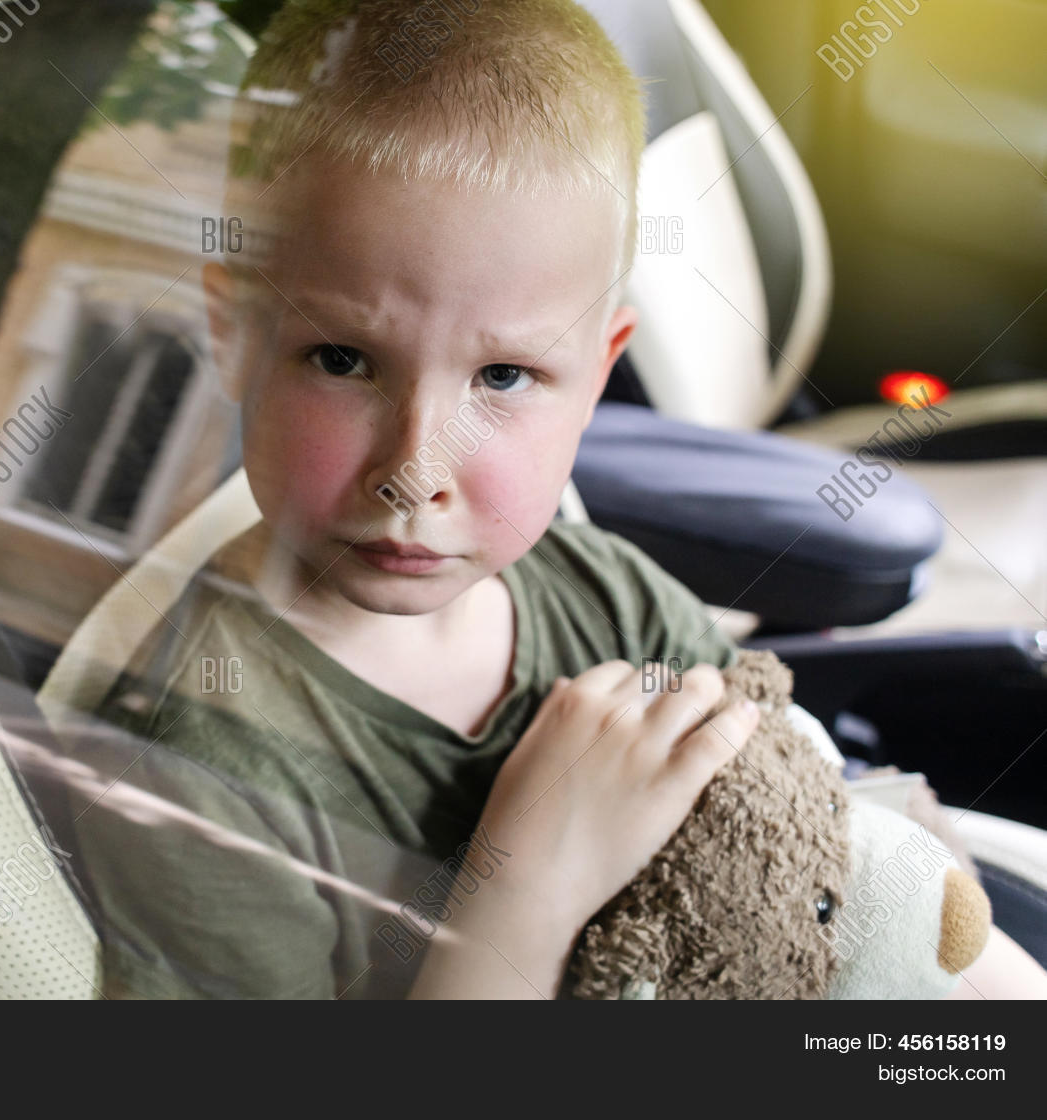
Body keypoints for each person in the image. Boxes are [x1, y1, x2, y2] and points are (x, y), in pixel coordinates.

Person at [58, 0, 1047, 999]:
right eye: (343, 358)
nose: (415, 467)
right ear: (233, 336)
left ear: (595, 371)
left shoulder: (608, 595)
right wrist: (530, 877)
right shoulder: (193, 766)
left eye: (504, 377)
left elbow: (831, 858)